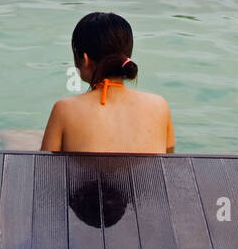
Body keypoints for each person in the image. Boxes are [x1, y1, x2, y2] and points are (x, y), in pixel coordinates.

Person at [41, 12, 174, 154]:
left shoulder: (64, 109)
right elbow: (169, 159)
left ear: (85, 60)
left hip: (88, 177)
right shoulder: (159, 105)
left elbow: (46, 168)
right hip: (147, 177)